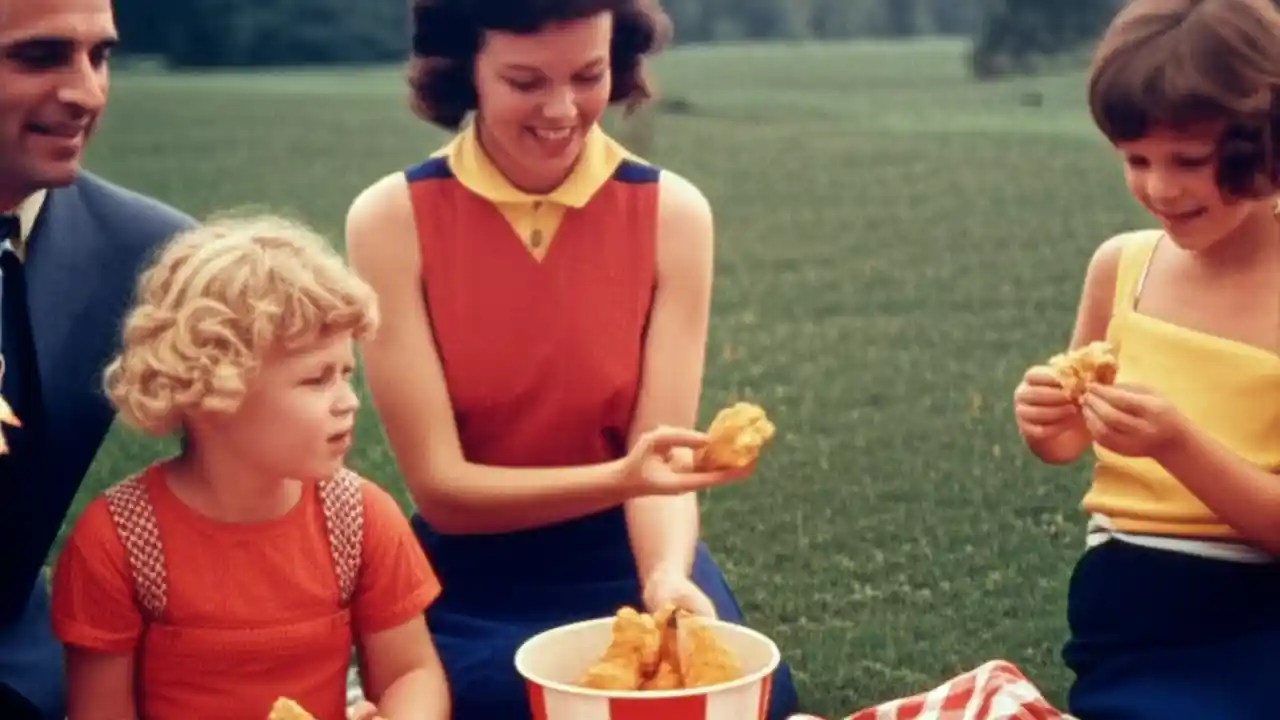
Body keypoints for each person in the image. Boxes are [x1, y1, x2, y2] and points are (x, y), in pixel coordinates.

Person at [345, 0, 800, 717]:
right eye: (526, 82)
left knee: (744, 700)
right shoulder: (390, 219)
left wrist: (666, 581)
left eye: (588, 75)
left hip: (624, 550)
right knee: (506, 700)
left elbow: (662, 471)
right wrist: (621, 476)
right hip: (468, 564)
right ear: (466, 70)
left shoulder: (673, 215)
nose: (562, 109)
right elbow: (442, 491)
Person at [49, 215, 451, 720]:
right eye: (316, 379)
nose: (348, 402)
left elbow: (410, 673)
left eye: (345, 373)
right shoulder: (119, 542)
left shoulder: (359, 519)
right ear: (213, 391)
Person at [1013, 1, 1280, 717]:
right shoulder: (1122, 267)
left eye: (1189, 161)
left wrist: (1178, 444)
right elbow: (1068, 440)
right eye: (1137, 159)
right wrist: (1046, 422)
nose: (1160, 188)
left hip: (1261, 607)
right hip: (1132, 604)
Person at [0, 0, 194, 716]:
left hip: (32, 678)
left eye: (99, 55)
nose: (86, 92)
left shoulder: (156, 255)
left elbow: (261, 492)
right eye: (39, 55)